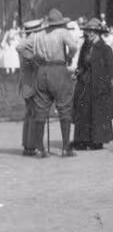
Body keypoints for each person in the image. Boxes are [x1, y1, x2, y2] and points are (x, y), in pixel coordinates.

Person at [20, 10, 80, 158]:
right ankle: (66, 148)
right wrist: (70, 57)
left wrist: (33, 57)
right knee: (64, 108)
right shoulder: (62, 32)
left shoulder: (38, 34)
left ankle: (40, 148)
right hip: (58, 69)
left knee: (40, 110)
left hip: (42, 71)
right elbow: (73, 47)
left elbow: (20, 47)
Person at [72, 18, 113, 151]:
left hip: (99, 86)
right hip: (85, 83)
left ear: (99, 33)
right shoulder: (85, 47)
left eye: (93, 32)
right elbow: (81, 64)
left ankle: (97, 140)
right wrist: (79, 72)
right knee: (84, 111)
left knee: (98, 113)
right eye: (88, 31)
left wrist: (103, 82)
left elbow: (111, 69)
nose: (90, 34)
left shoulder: (105, 49)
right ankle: (83, 140)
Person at [17, 18, 44, 156]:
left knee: (30, 114)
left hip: (28, 84)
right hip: (31, 84)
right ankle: (31, 145)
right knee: (34, 114)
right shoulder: (27, 48)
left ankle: (28, 144)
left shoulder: (27, 47)